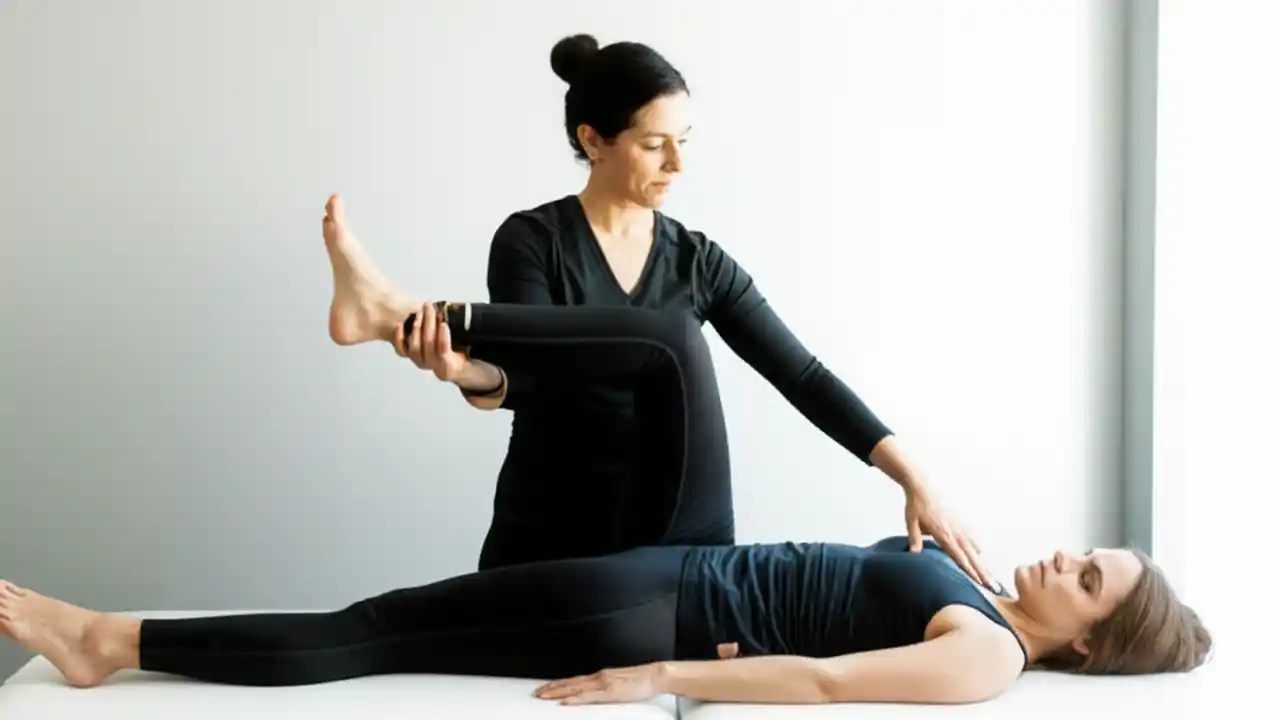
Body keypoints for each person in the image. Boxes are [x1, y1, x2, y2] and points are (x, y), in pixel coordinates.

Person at [0, 221, 1211, 704]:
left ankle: (111, 643)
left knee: (378, 627)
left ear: (1090, 641)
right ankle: (409, 316)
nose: (1066, 556)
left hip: (648, 610)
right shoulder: (972, 579)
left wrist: (657, 678)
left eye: (1088, 578)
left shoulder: (988, 658)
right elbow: (798, 400)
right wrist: (914, 489)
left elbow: (826, 686)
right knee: (674, 342)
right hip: (690, 556)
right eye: (1090, 554)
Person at [390, 33, 997, 589]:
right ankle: (390, 311)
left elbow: (802, 376)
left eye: (683, 142)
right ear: (592, 141)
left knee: (671, 339)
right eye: (654, 146)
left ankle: (391, 308)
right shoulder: (532, 240)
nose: (677, 164)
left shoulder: (698, 262)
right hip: (548, 532)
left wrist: (913, 477)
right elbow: (530, 377)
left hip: (663, 538)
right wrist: (466, 373)